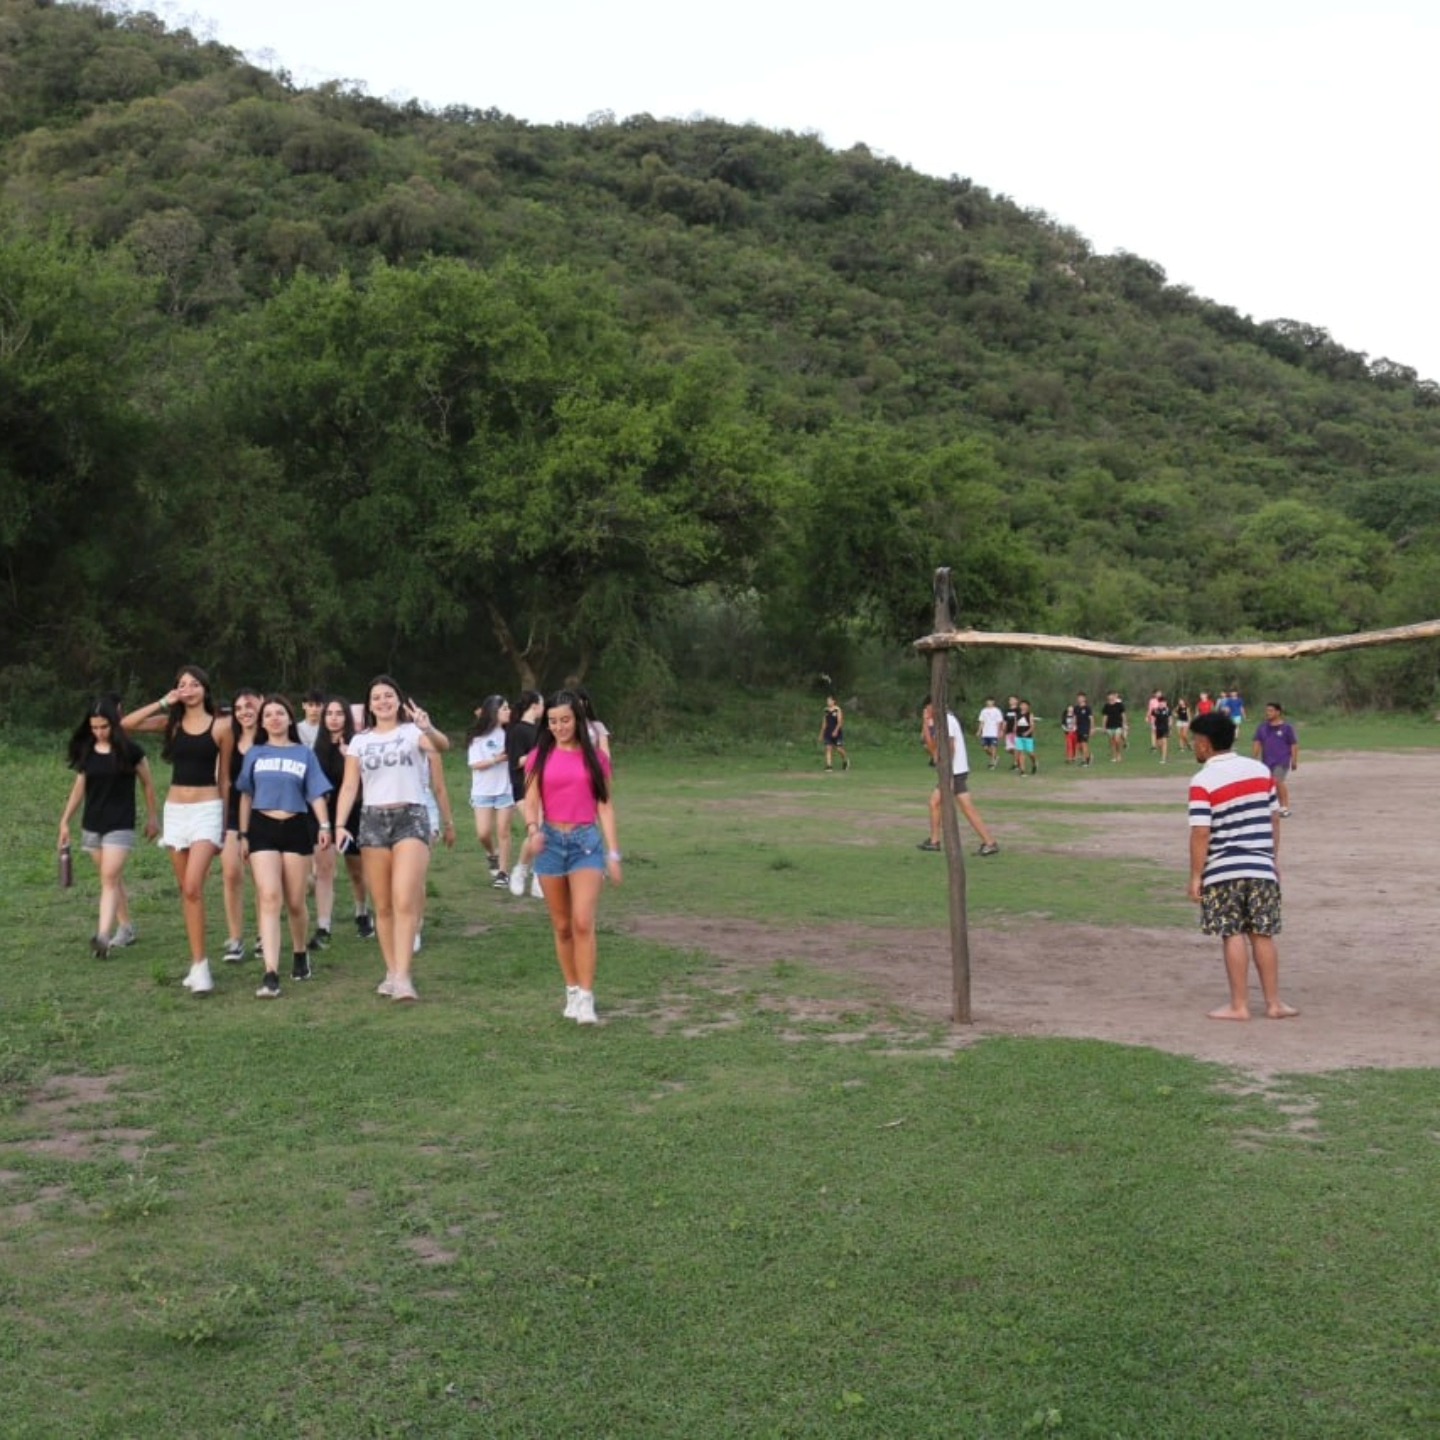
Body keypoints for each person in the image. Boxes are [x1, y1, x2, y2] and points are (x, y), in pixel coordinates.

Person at [332, 677, 449, 1002]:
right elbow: (349, 787)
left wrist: (428, 727)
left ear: (398, 700)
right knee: (382, 905)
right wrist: (339, 824)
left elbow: (442, 747)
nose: (383, 701)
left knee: (404, 899)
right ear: (369, 705)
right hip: (372, 822)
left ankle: (404, 977)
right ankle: (391, 971)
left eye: (388, 696)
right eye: (376, 697)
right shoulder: (359, 742)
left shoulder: (413, 733)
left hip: (410, 818)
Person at [125, 665, 233, 996]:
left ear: (205, 688)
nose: (188, 688)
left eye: (194, 683)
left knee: (192, 886)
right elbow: (125, 725)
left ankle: (201, 969)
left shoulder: (221, 726)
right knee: (187, 891)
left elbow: (225, 777)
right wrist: (163, 701)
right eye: (182, 685)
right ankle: (199, 964)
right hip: (176, 813)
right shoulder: (171, 725)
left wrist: (225, 825)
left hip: (207, 810)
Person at [1187, 710, 1296, 1022]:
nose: (1195, 746)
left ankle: (1239, 1005)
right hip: (1261, 866)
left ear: (1206, 744)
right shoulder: (1260, 771)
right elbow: (1274, 818)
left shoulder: (1202, 780)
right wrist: (1271, 859)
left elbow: (1201, 832)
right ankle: (1274, 1004)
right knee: (1262, 934)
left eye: (1196, 740)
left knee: (1232, 932)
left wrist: (1196, 875)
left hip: (1223, 869)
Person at [523, 689, 622, 1025]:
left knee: (582, 921)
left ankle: (587, 997)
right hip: (550, 842)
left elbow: (605, 807)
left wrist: (614, 852)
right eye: (552, 721)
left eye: (565, 720)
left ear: (578, 720)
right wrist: (533, 828)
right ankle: (571, 989)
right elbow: (531, 798)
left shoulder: (596, 758)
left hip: (586, 844)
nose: (559, 726)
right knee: (562, 926)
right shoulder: (540, 755)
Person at [236, 695, 334, 997]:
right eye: (269, 714)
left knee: (294, 901)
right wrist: (243, 834)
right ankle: (270, 973)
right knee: (268, 896)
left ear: (290, 719)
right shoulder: (255, 753)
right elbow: (245, 795)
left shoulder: (304, 754)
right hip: (262, 828)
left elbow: (316, 792)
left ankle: (300, 952)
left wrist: (325, 825)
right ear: (262, 721)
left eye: (280, 713)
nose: (275, 718)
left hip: (296, 827)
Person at [58, 695, 159, 957]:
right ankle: (125, 928)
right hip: (92, 825)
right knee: (111, 879)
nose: (99, 732)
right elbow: (79, 788)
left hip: (121, 824)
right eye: (94, 727)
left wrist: (152, 817)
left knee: (110, 878)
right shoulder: (88, 752)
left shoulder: (132, 751)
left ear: (114, 723)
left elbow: (147, 784)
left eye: (104, 727)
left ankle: (102, 936)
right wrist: (65, 821)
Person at [312, 696, 371, 947]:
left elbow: (364, 783)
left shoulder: (357, 744)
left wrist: (351, 759)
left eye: (339, 713)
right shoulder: (316, 748)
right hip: (323, 815)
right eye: (329, 713)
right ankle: (323, 927)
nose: (334, 718)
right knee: (324, 871)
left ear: (347, 717)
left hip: (353, 814)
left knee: (357, 871)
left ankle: (361, 912)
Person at [917, 699, 999, 856]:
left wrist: (946, 772)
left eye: (929, 708)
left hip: (954, 771)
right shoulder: (939, 722)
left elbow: (950, 746)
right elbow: (929, 744)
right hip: (953, 771)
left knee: (938, 803)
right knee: (961, 807)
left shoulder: (947, 720)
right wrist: (926, 722)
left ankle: (988, 842)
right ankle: (988, 842)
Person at [219, 688, 262, 965]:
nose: (245, 711)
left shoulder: (270, 737)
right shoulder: (229, 739)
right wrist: (220, 820)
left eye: (249, 705)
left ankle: (263, 934)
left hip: (264, 813)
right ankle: (235, 939)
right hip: (233, 814)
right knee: (232, 873)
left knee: (262, 877)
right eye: (238, 708)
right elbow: (223, 778)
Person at [467, 695, 516, 885]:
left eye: (508, 708)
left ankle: (503, 873)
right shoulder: (477, 738)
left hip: (506, 789)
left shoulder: (511, 734)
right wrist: (497, 759)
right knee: (483, 833)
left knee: (503, 831)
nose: (508, 711)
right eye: (504, 708)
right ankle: (491, 853)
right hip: (482, 792)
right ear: (494, 712)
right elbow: (475, 764)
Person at [506, 691, 547, 898]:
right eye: (542, 703)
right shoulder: (517, 731)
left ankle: (536, 875)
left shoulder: (541, 730)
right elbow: (516, 762)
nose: (544, 707)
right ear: (534, 706)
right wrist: (540, 753)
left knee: (542, 831)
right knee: (536, 829)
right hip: (522, 787)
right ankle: (522, 871)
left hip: (544, 787)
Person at [1252, 702, 1300, 817]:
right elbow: (1257, 742)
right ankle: (1273, 806)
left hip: (1282, 760)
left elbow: (1294, 744)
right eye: (1267, 711)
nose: (1268, 713)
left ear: (1278, 712)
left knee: (1278, 781)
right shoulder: (1262, 727)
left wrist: (1294, 760)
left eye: (1271, 711)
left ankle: (1284, 807)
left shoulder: (1287, 728)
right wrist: (1254, 758)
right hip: (1267, 761)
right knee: (1270, 784)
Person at [819, 696, 849, 773]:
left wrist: (836, 731)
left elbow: (840, 722)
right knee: (828, 748)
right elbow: (824, 723)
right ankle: (829, 766)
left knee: (839, 749)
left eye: (829, 701)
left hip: (837, 732)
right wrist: (821, 733)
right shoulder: (826, 710)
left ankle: (845, 760)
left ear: (833, 701)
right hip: (828, 732)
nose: (828, 702)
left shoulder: (837, 709)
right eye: (827, 701)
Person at [975, 697, 1004, 769]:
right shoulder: (983, 711)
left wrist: (999, 731)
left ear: (993, 702)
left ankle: (992, 762)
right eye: (988, 701)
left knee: (993, 747)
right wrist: (979, 730)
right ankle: (995, 757)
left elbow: (999, 722)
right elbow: (982, 722)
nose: (989, 703)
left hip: (993, 732)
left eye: (990, 701)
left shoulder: (997, 711)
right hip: (985, 732)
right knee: (985, 748)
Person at [1014, 699, 1038, 775]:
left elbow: (1033, 726)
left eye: (1025, 705)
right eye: (1022, 705)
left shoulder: (1030, 714)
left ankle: (1034, 763)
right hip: (1019, 736)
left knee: (1030, 753)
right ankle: (1022, 770)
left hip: (1028, 737)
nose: (1023, 706)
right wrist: (1014, 731)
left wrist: (1027, 732)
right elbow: (1015, 724)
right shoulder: (1017, 714)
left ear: (1028, 706)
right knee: (1021, 752)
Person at [1102, 691, 1127, 762]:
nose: (1111, 697)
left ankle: (1119, 754)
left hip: (1118, 725)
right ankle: (1114, 756)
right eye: (1109, 696)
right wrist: (1103, 727)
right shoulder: (1106, 706)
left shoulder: (1119, 705)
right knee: (1112, 742)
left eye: (1112, 696)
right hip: (1109, 726)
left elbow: (1123, 715)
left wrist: (1124, 724)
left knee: (1117, 740)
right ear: (1107, 697)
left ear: (1114, 696)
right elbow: (1105, 717)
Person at [1073, 692, 1094, 767]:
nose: (1079, 699)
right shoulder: (1076, 708)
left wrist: (1092, 729)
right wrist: (1074, 725)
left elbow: (1091, 719)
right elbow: (1075, 718)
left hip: (1085, 728)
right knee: (1080, 747)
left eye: (1081, 697)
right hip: (1078, 729)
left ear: (1084, 699)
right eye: (1078, 697)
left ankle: (1085, 761)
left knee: (1084, 744)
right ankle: (1088, 756)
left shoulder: (1087, 708)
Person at [1152, 694, 1172, 764]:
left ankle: (1163, 759)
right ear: (1159, 702)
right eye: (1160, 702)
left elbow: (1170, 719)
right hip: (1158, 728)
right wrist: (1153, 726)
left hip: (1165, 728)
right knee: (1159, 744)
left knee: (1164, 742)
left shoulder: (1167, 710)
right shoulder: (1155, 710)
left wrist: (1170, 728)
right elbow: (1153, 718)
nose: (1162, 703)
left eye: (1163, 702)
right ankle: (1165, 755)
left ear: (1165, 703)